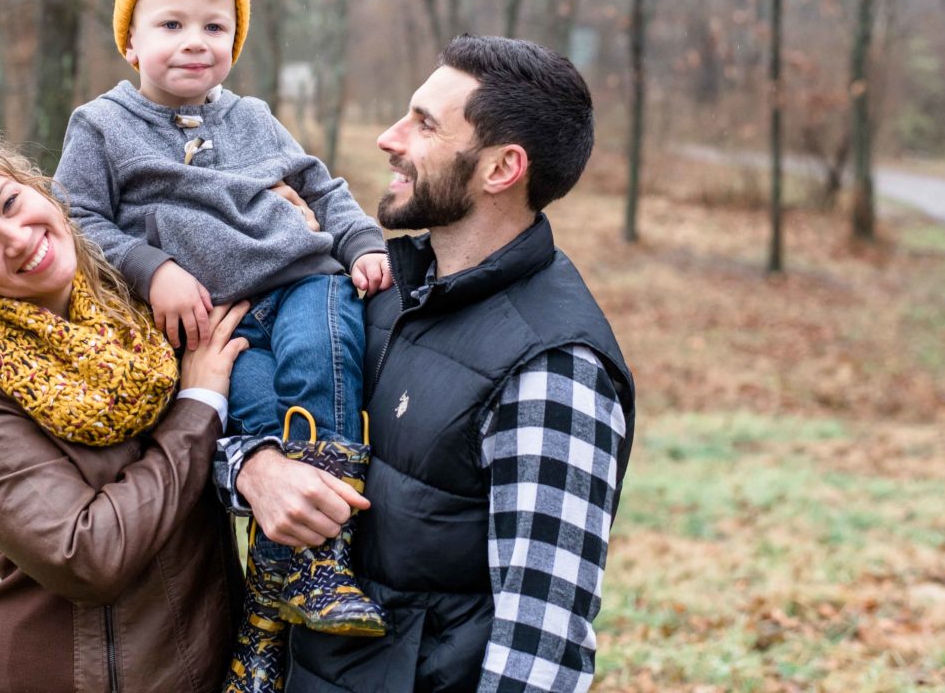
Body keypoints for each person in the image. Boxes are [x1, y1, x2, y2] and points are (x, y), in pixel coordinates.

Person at [222, 35, 638, 693]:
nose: (390, 138)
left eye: (423, 124)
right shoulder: (377, 286)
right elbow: (228, 412)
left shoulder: (553, 366)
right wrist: (256, 467)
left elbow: (541, 649)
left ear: (501, 168)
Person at [53, 0, 392, 688]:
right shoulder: (101, 126)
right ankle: (278, 588)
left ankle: (305, 573)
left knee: (323, 377)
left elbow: (324, 186)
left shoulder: (254, 116)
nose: (195, 43)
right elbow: (75, 222)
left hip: (302, 281)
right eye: (171, 25)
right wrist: (155, 268)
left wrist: (364, 240)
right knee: (261, 417)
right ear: (131, 40)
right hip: (213, 322)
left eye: (215, 26)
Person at [0, 112, 251, 693]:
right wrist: (197, 405)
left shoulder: (143, 293)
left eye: (10, 203)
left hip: (203, 663)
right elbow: (86, 554)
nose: (18, 239)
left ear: (35, 186)